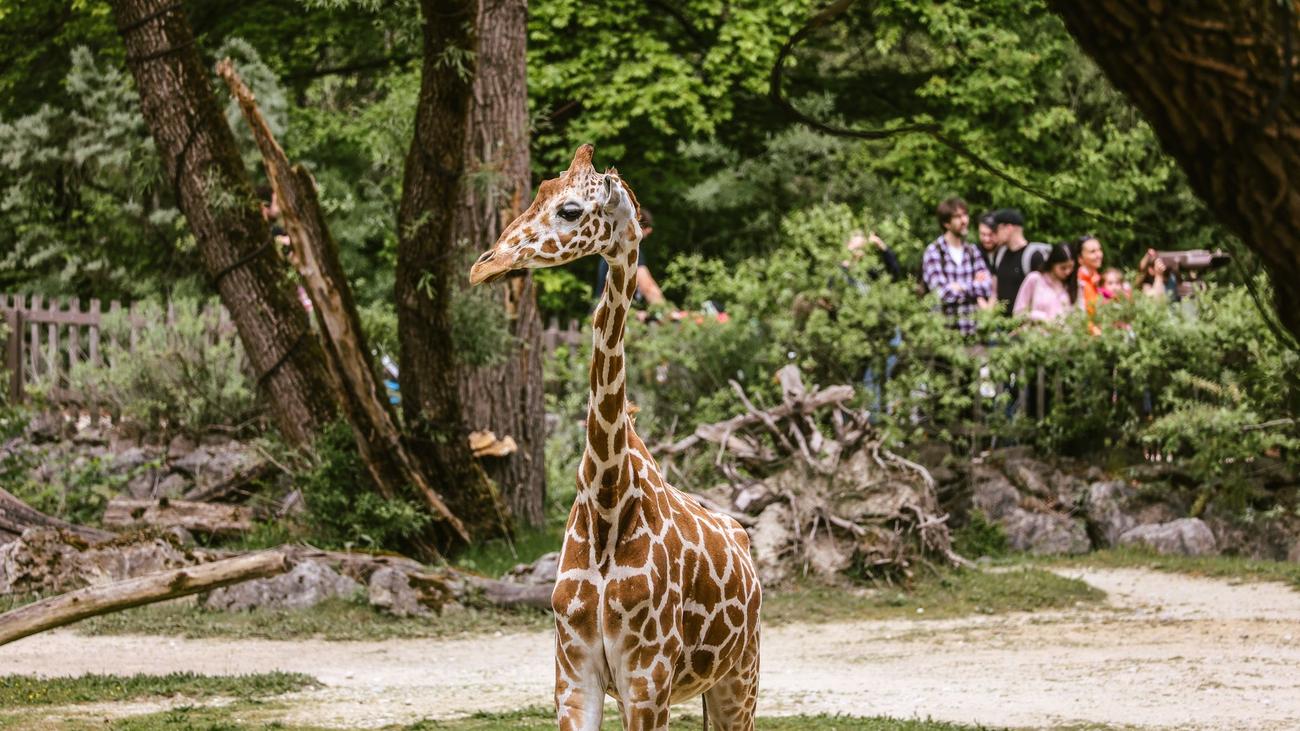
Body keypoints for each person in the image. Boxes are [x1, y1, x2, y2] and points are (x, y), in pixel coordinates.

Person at [921, 196, 993, 336]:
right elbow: (942, 294)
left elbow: (987, 287)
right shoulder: (934, 252)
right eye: (958, 217)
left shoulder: (972, 251)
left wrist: (959, 287)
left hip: (973, 334)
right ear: (946, 223)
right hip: (944, 336)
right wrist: (973, 286)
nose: (964, 220)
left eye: (965, 215)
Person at [990, 208, 1050, 315]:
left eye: (996, 230)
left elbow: (1042, 295)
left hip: (1025, 321)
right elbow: (994, 291)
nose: (994, 235)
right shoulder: (999, 254)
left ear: (1008, 228)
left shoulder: (1034, 256)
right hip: (1000, 322)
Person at [1012, 243, 1078, 322]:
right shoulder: (1035, 279)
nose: (1067, 272)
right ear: (1052, 264)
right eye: (1063, 268)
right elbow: (1018, 312)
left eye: (1071, 267)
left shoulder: (1073, 284)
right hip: (1036, 328)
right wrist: (1036, 316)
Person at [1074, 234, 1105, 315]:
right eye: (1092, 252)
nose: (1099, 255)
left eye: (1099, 250)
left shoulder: (1098, 278)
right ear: (1080, 258)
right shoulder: (1077, 281)